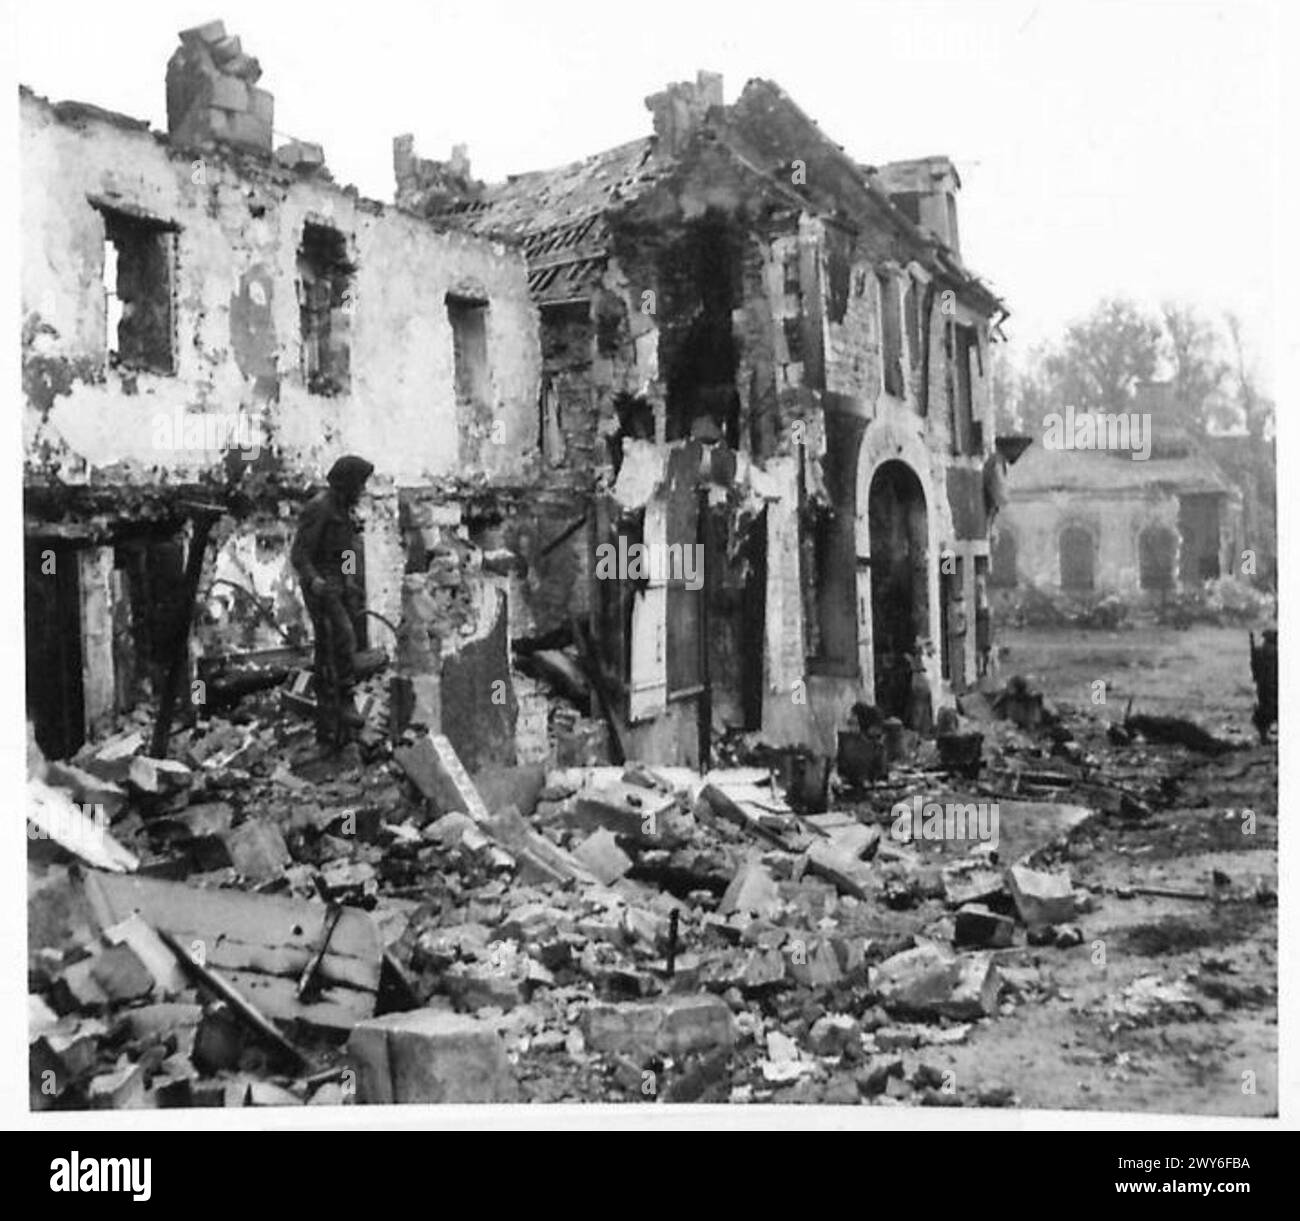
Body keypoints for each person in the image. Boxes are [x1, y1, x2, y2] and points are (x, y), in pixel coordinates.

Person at [291, 455, 374, 746]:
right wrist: (315, 581)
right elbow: (299, 554)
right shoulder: (320, 508)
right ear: (347, 482)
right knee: (342, 640)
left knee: (340, 646)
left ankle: (339, 713)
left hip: (339, 583)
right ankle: (342, 702)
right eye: (360, 483)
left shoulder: (344, 509)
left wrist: (351, 581)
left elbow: (347, 552)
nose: (362, 489)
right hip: (322, 586)